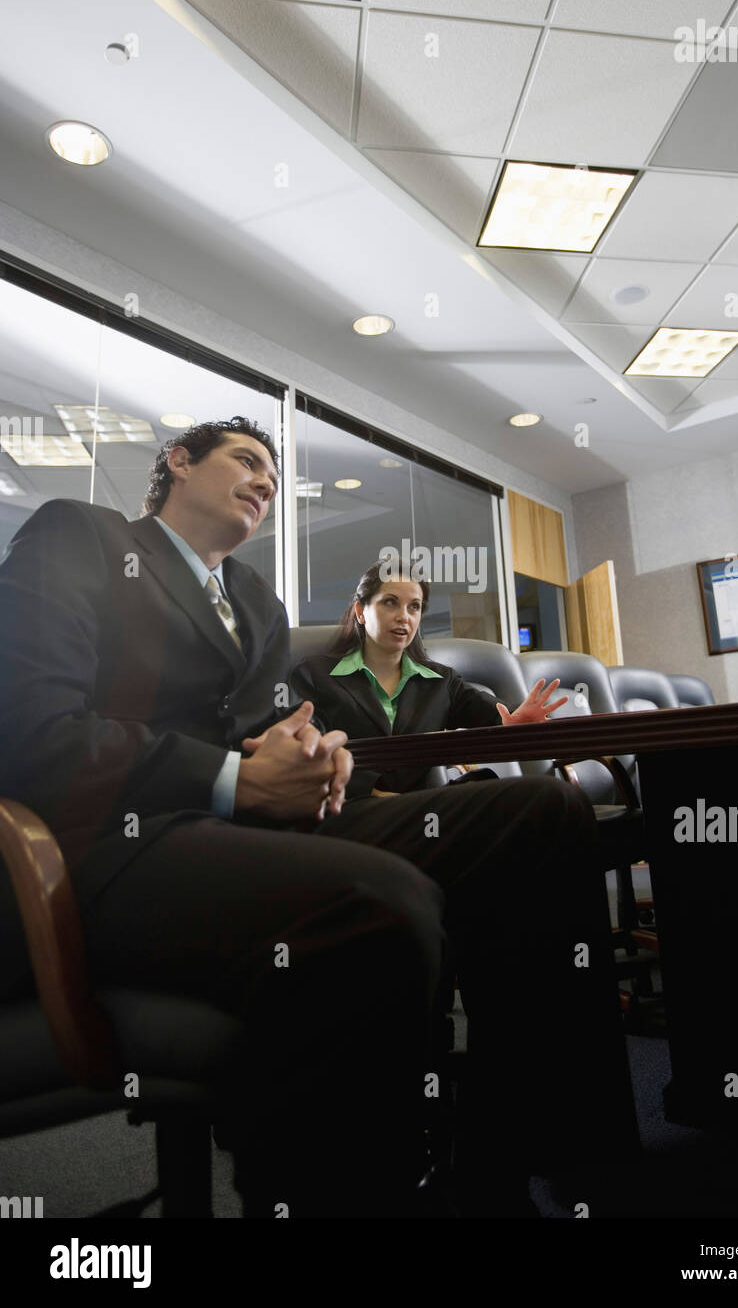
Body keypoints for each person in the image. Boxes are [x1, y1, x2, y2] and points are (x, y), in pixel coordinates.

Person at [0, 416, 637, 1219]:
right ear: (178, 462)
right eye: (246, 460)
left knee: (542, 812)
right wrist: (234, 777)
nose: (266, 481)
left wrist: (318, 761)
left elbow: (270, 735)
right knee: (379, 901)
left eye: (274, 473)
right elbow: (30, 734)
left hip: (245, 833)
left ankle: (551, 1170)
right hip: (111, 849)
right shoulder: (80, 536)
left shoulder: (256, 600)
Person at [287, 560, 569, 800]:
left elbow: (493, 716)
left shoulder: (441, 681)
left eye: (414, 607)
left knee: (547, 794)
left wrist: (512, 725)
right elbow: (303, 751)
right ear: (361, 611)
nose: (403, 617)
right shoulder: (315, 675)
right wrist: (370, 791)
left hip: (425, 811)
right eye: (390, 603)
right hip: (352, 808)